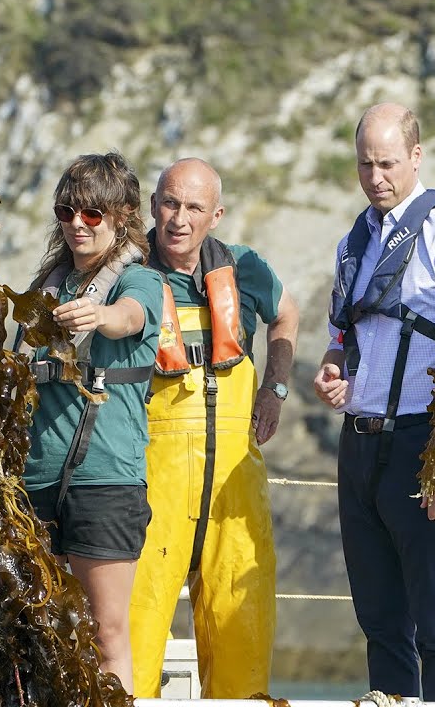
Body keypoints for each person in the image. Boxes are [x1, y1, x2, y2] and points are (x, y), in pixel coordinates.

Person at [312, 103, 435, 702]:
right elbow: (346, 339)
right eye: (365, 164)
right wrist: (334, 369)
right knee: (379, 619)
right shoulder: (354, 240)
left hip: (423, 438)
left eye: (388, 163)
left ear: (416, 156)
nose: (376, 177)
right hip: (359, 442)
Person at [128, 157, 299, 698]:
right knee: (136, 634)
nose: (179, 218)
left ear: (216, 214)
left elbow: (286, 316)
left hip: (233, 482)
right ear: (152, 206)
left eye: (194, 207)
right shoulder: (129, 272)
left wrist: (274, 389)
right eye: (169, 203)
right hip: (153, 481)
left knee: (241, 637)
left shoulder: (244, 267)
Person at [20, 152, 163, 694]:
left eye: (93, 214)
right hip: (35, 481)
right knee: (41, 630)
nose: (77, 223)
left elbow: (132, 318)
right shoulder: (48, 285)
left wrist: (101, 316)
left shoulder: (140, 281)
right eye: (66, 211)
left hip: (105, 481)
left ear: (123, 215)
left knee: (105, 632)